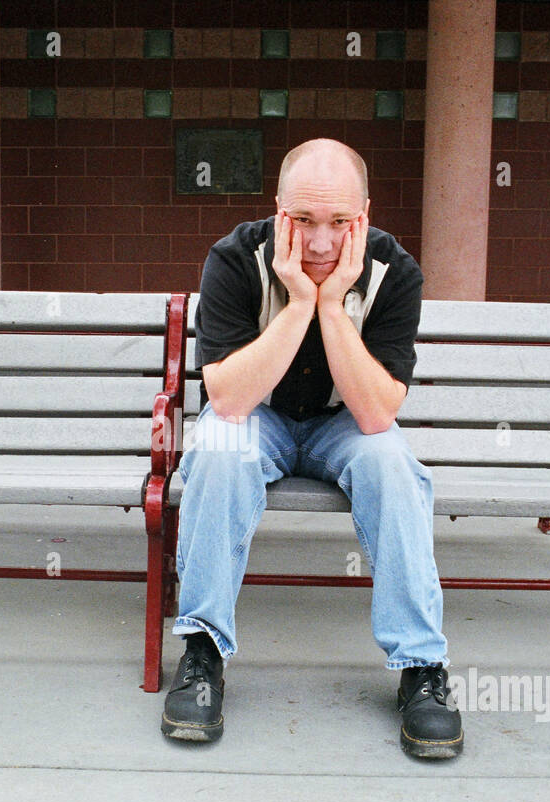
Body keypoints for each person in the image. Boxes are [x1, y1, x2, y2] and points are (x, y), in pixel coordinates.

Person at [161, 138, 461, 759]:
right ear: (278, 210)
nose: (321, 243)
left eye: (340, 223)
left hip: (344, 423)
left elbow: (377, 413)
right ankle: (203, 653)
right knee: (218, 451)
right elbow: (229, 400)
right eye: (302, 221)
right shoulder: (235, 259)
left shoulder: (394, 272)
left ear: (365, 215)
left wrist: (333, 306)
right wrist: (301, 301)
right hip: (259, 416)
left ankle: (422, 668)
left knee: (394, 467)